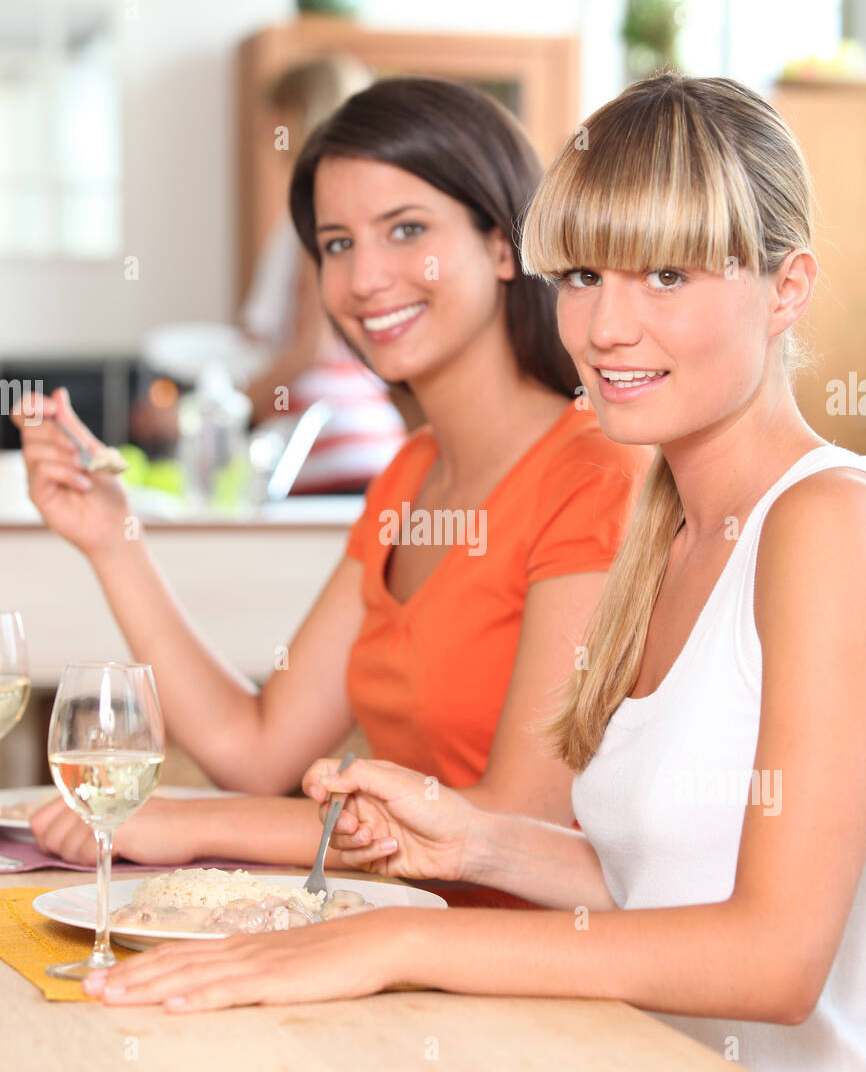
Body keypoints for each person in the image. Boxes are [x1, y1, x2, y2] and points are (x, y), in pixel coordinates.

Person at [83, 71, 866, 1072]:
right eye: (585, 273)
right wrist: (470, 845)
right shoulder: (663, 530)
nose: (607, 325)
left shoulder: (825, 521)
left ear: (786, 290)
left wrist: (400, 939)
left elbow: (775, 958)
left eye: (668, 276)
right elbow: (649, 879)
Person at [16, 77, 650, 884]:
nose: (364, 279)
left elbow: (505, 825)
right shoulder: (410, 476)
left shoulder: (591, 473)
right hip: (397, 940)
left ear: (504, 245)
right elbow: (255, 747)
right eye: (338, 244)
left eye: (406, 230)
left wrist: (190, 820)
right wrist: (112, 538)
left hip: (517, 971)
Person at [239, 55, 410, 491]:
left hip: (329, 443)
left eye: (275, 115)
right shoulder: (335, 210)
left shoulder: (320, 213)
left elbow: (311, 347)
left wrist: (231, 407)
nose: (265, 131)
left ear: (298, 117)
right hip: (368, 439)